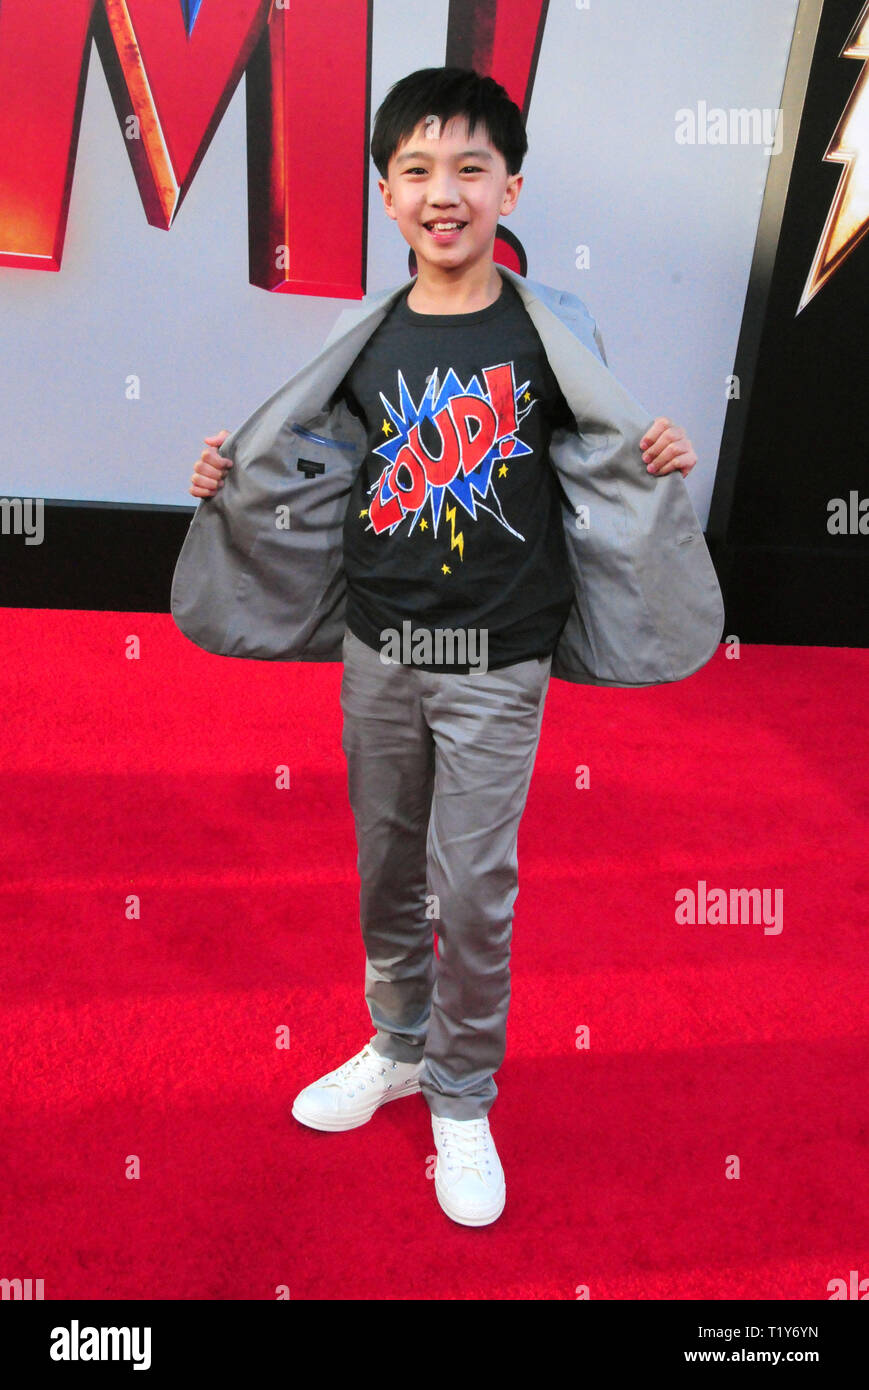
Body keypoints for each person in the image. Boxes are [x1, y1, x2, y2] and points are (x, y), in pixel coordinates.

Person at [182, 67, 717, 1228]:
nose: (444, 191)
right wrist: (229, 480)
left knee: (470, 887)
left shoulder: (548, 331)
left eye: (470, 168)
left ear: (508, 186)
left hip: (500, 659)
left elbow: (606, 463)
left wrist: (660, 457)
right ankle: (395, 1044)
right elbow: (305, 469)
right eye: (417, 170)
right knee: (384, 869)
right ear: (386, 195)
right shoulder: (363, 339)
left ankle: (461, 1092)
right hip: (377, 648)